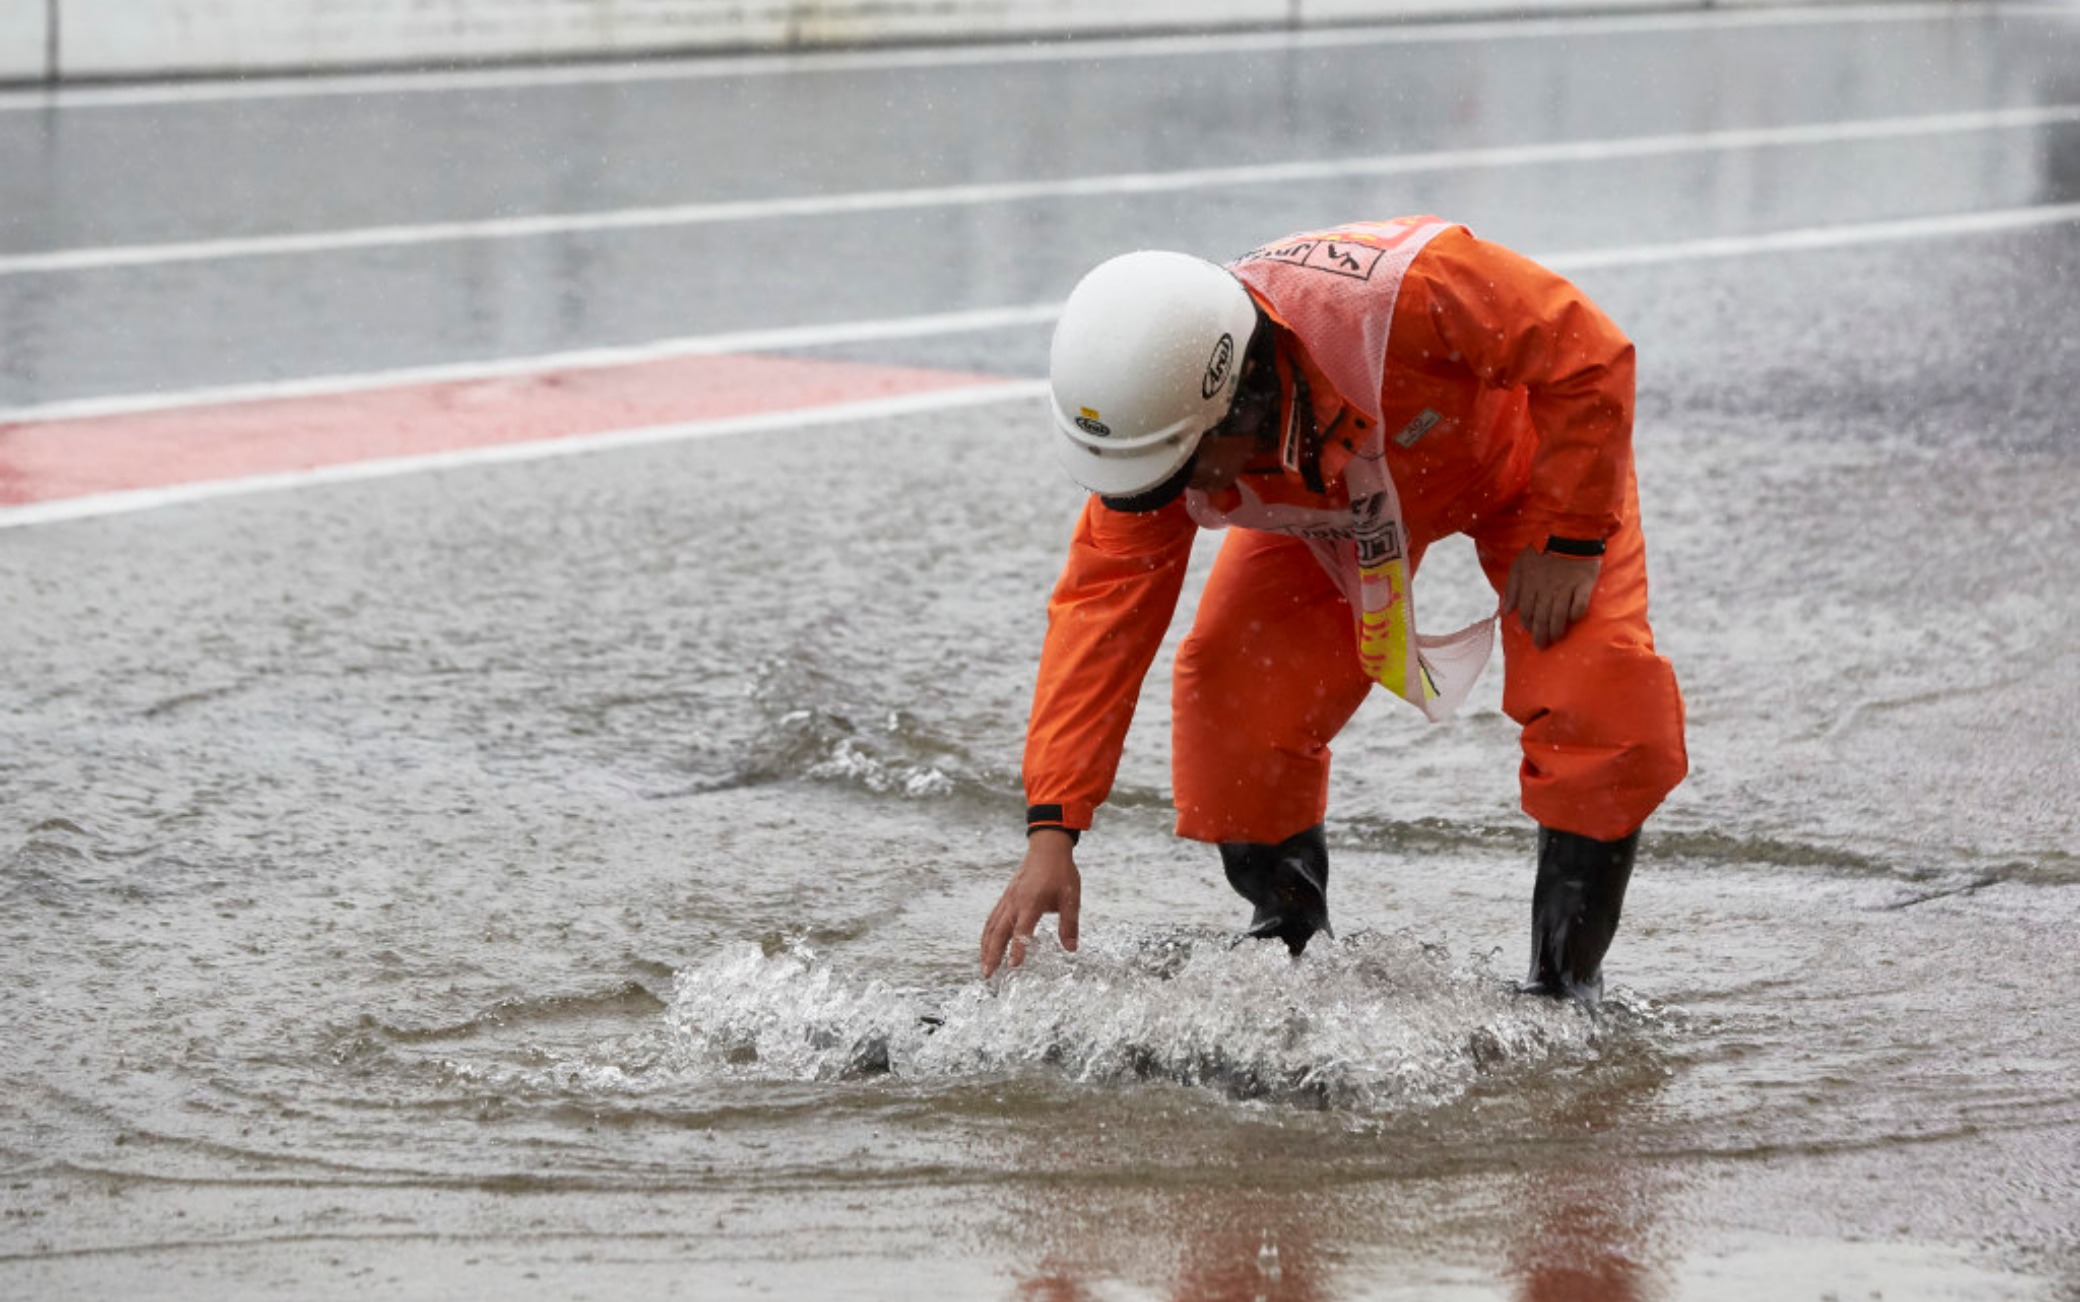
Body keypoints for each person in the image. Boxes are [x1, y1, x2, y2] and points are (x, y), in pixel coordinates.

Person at [978, 216, 1688, 1005]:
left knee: (1600, 700)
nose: (1173, 497)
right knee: (1232, 695)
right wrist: (1053, 833)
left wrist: (1573, 538)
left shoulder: (1409, 291)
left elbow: (1585, 351)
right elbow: (1097, 623)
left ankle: (1565, 990)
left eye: (1181, 470)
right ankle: (1290, 946)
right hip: (1336, 507)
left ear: (1236, 397)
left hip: (1529, 479)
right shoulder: (1159, 426)